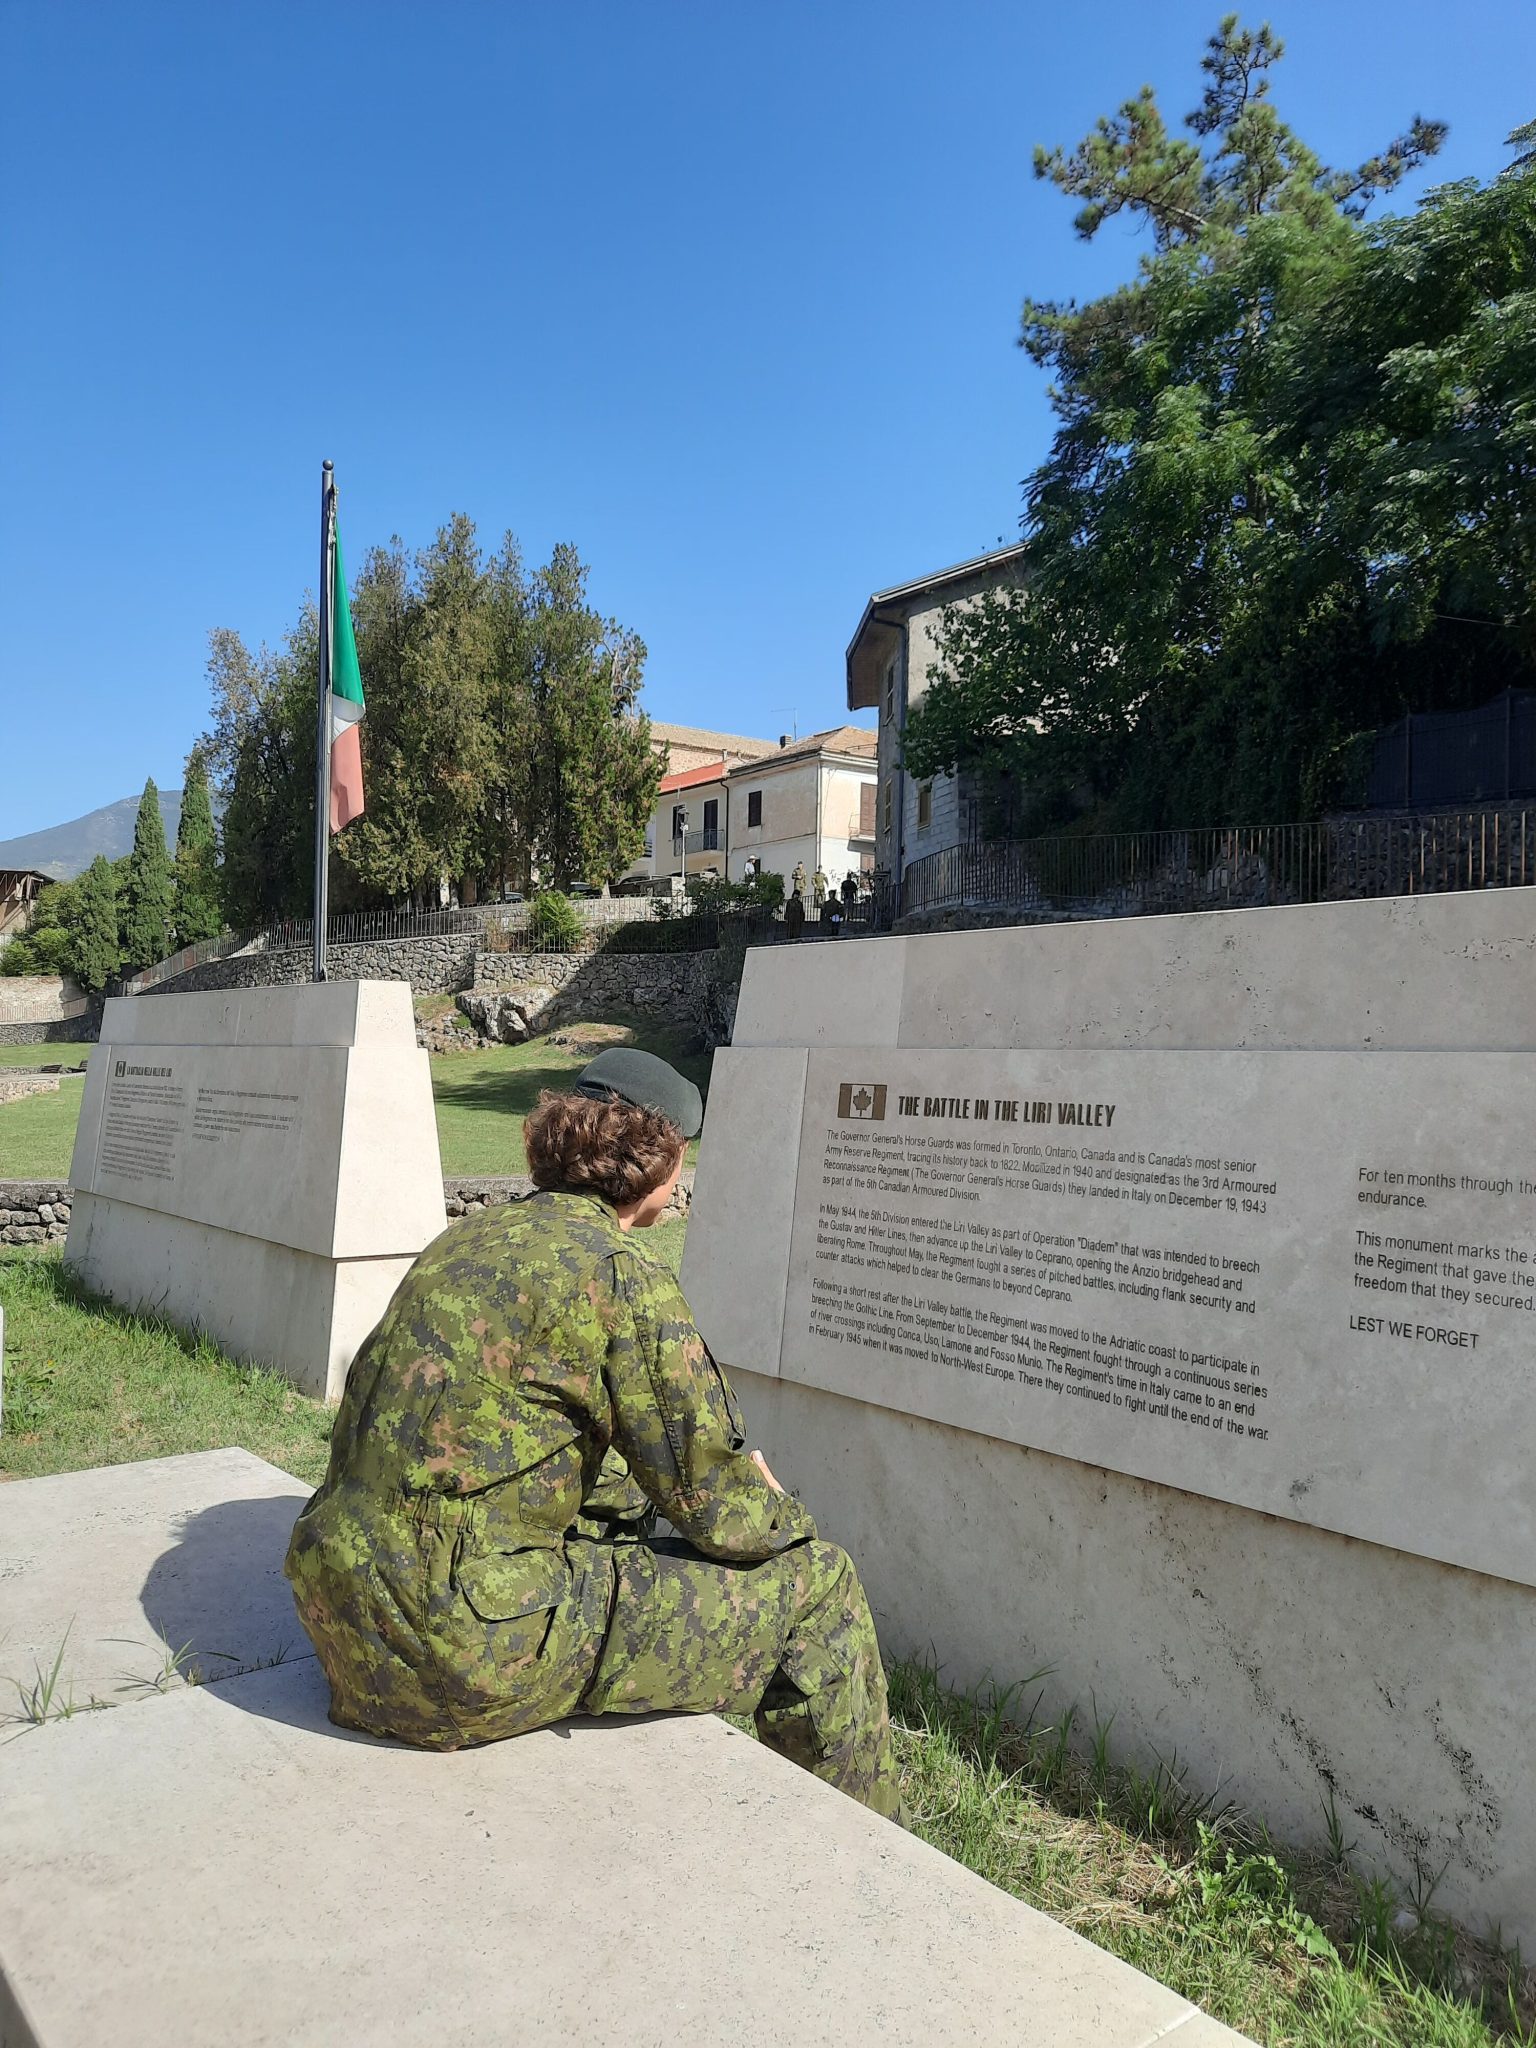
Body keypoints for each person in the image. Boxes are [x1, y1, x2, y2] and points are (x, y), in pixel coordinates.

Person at [285, 1047, 904, 1820]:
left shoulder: (466, 1243)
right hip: (453, 1653)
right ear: (660, 1159)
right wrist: (783, 1516)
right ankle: (871, 1861)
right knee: (820, 1591)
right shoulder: (617, 1273)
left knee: (628, 1513)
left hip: (342, 1617)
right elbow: (713, 1498)